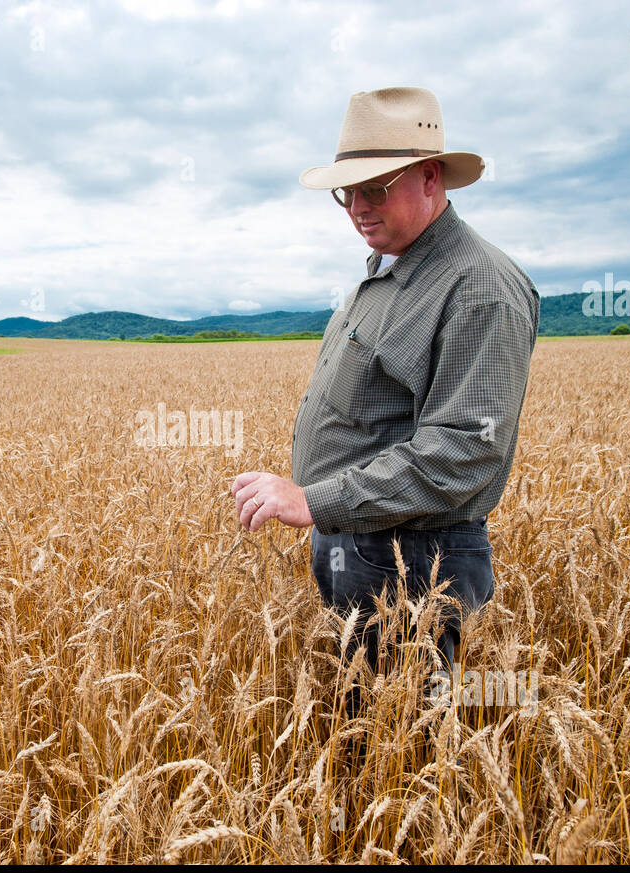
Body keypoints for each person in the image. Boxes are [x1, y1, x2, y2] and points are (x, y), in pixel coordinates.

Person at [231, 86, 539, 715]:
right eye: (348, 191)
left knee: (405, 745)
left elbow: (462, 454)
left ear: (431, 177)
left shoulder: (479, 285)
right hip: (362, 543)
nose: (358, 208)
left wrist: (313, 498)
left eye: (376, 187)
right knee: (365, 733)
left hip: (414, 562)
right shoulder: (389, 267)